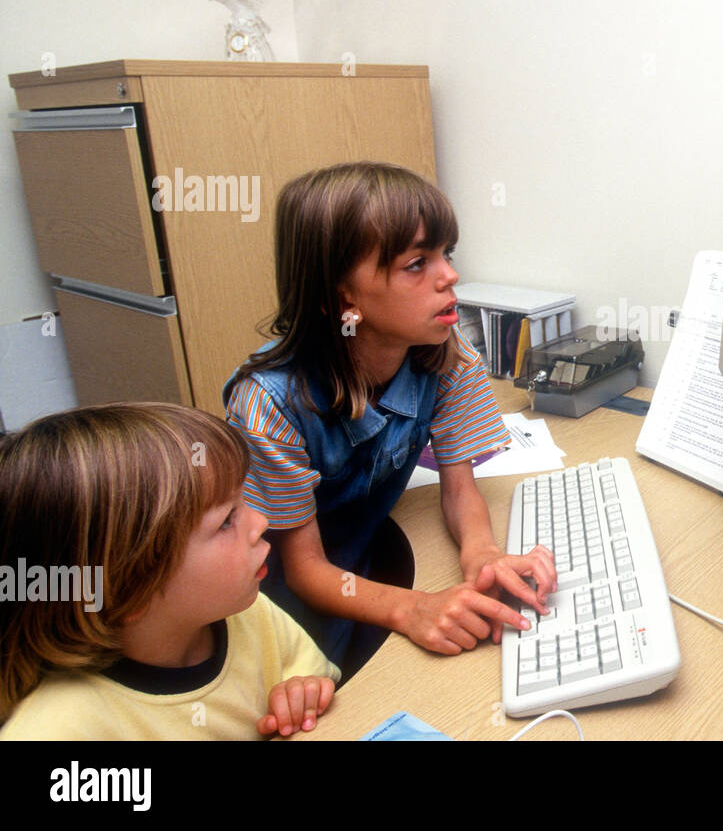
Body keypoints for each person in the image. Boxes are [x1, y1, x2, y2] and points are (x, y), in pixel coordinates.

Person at [223, 162, 556, 676]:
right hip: (280, 611)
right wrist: (413, 607)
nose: (449, 275)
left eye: (446, 253)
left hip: (366, 562)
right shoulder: (267, 404)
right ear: (342, 298)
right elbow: (305, 570)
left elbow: (460, 487)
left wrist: (482, 553)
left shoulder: (447, 354)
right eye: (416, 263)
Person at [0, 403, 339, 740]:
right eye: (225, 521)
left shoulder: (248, 613)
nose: (261, 521)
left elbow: (314, 680)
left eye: (242, 500)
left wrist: (303, 692)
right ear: (131, 590)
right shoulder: (60, 728)